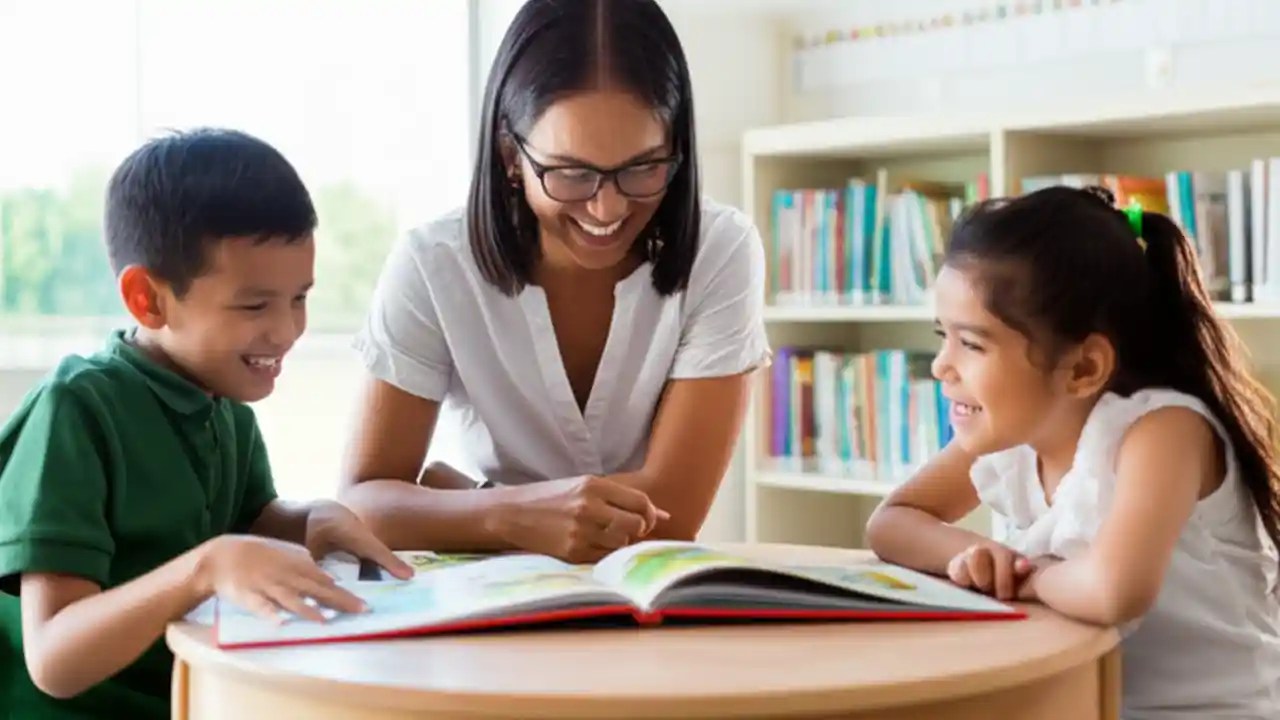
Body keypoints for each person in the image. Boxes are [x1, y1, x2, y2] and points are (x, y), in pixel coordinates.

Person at [0, 128, 413, 720]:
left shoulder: (223, 402)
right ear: (148, 300)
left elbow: (249, 521)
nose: (288, 330)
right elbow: (55, 659)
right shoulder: (77, 409)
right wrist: (206, 567)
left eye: (299, 298)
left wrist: (309, 522)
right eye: (254, 305)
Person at [340, 0, 770, 563]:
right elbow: (361, 505)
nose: (606, 206)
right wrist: (511, 515)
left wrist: (469, 505)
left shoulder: (722, 249)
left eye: (643, 167)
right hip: (491, 603)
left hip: (641, 598)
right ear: (510, 156)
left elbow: (672, 515)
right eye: (571, 173)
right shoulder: (432, 263)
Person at [866, 185, 1280, 717]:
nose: (942, 366)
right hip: (1083, 702)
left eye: (971, 344)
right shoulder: (1014, 433)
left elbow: (1113, 591)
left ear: (1083, 368)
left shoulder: (1163, 431)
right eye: (942, 336)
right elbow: (892, 521)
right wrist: (972, 557)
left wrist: (1023, 573)